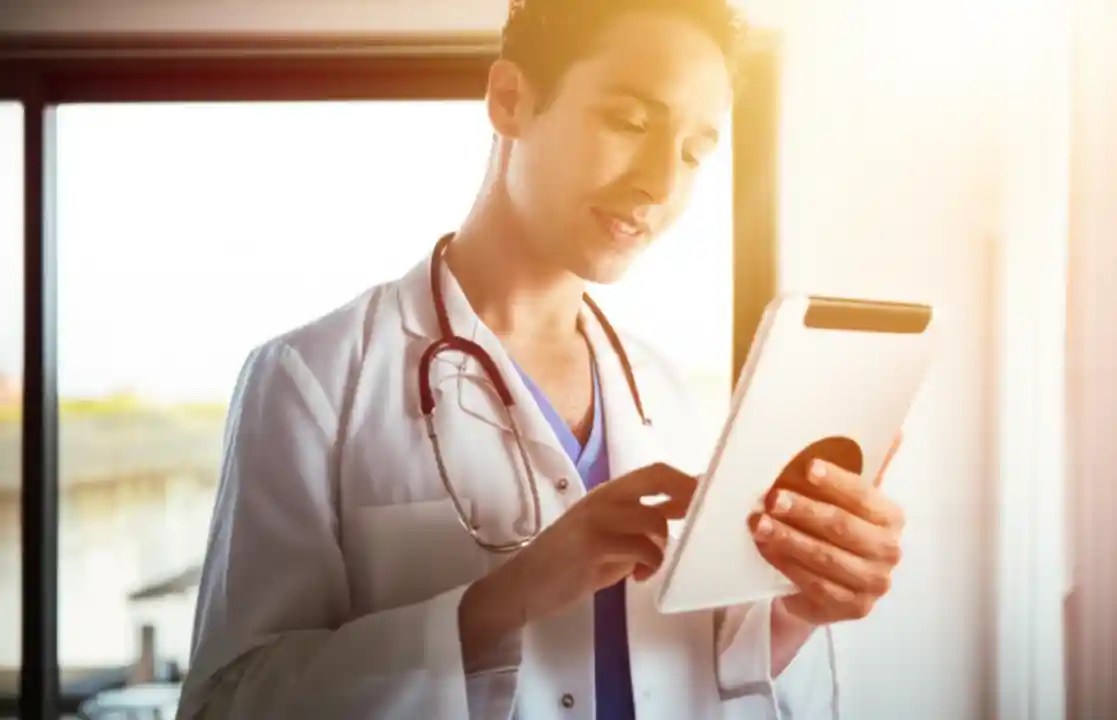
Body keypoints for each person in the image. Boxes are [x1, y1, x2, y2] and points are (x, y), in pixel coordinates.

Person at [177, 0, 907, 718]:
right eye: (629, 121)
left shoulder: (665, 394)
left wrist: (802, 608)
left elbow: (700, 669)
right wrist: (503, 598)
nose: (660, 182)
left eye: (694, 151)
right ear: (510, 100)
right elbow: (227, 701)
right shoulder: (312, 380)